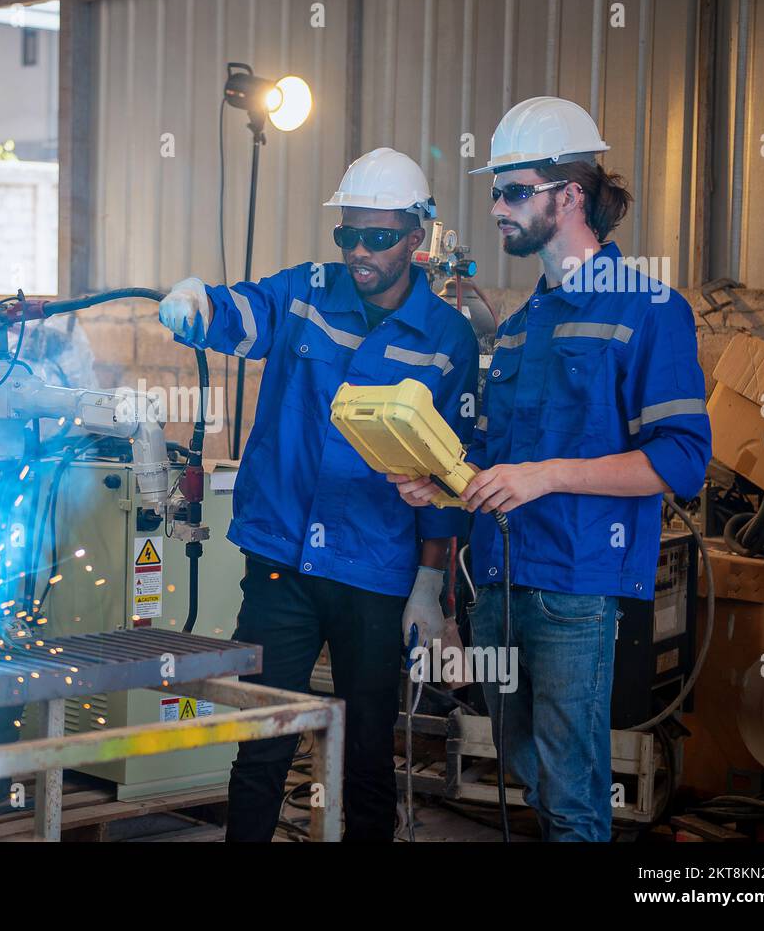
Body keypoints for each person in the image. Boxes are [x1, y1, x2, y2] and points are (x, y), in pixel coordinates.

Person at [390, 97, 712, 841]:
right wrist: (436, 478)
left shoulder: (651, 309)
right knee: (527, 765)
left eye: (514, 190)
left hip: (575, 587)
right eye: (495, 190)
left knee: (570, 794)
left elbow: (683, 459)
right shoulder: (524, 322)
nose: (497, 207)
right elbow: (498, 457)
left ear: (570, 195)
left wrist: (547, 475)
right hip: (499, 584)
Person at [158, 148, 478, 841]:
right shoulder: (306, 292)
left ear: (416, 237)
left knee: (366, 747)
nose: (359, 252)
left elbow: (453, 474)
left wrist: (430, 582)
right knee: (264, 737)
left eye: (378, 237)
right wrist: (199, 305)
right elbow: (246, 312)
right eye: (348, 235)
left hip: (375, 570)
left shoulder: (447, 338)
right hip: (283, 562)